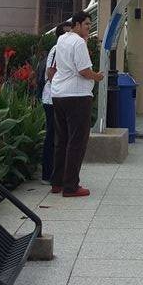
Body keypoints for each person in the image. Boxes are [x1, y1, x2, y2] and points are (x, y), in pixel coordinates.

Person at [50, 12, 104, 197]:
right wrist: (97, 76)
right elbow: (83, 70)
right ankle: (71, 185)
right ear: (78, 24)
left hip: (58, 94)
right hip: (77, 95)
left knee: (62, 139)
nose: (89, 27)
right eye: (87, 24)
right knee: (77, 141)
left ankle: (57, 182)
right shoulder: (79, 42)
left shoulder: (62, 39)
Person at [39, 23, 65, 182]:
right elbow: (51, 72)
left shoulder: (61, 49)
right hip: (52, 98)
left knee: (56, 134)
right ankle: (48, 173)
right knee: (52, 135)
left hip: (56, 96)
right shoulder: (58, 49)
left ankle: (54, 172)